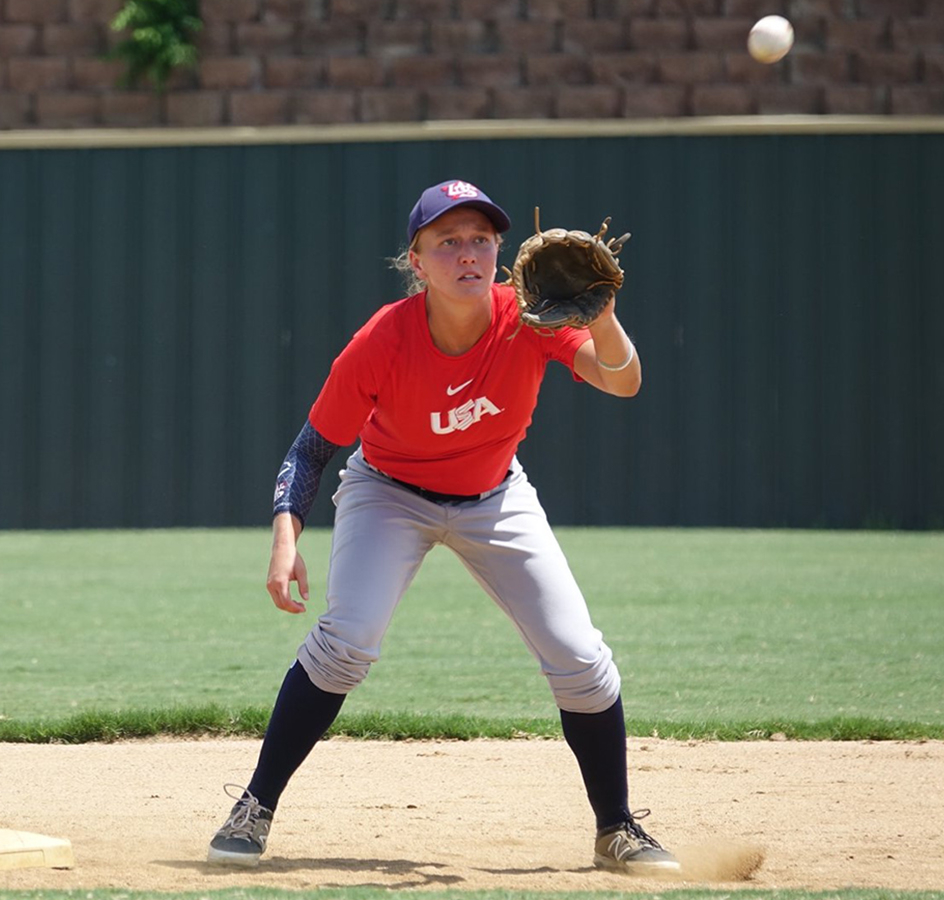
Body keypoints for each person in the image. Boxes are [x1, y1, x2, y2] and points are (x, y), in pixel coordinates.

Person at [206, 179, 678, 876]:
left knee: (579, 657)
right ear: (417, 262)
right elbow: (310, 449)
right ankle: (253, 806)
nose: (469, 254)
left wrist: (603, 318)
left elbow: (622, 381)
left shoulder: (530, 318)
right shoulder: (382, 340)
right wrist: (285, 541)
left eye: (482, 239)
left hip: (494, 495)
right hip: (389, 493)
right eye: (447, 241)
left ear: (500, 252)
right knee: (348, 641)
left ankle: (617, 828)